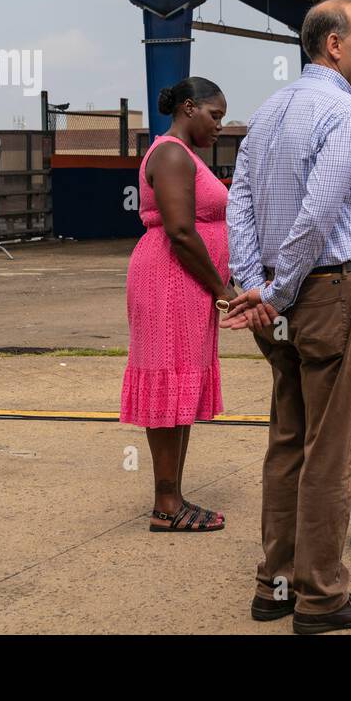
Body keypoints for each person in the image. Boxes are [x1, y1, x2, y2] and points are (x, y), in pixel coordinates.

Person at [223, 0, 351, 634]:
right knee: (333, 447)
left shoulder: (268, 113)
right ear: (334, 46)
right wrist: (278, 288)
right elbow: (318, 214)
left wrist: (253, 283)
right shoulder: (345, 113)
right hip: (327, 296)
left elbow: (239, 201)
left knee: (288, 439)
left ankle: (276, 584)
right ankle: (321, 598)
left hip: (279, 304)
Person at [120, 76, 235, 533]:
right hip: (170, 278)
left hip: (186, 282)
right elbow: (181, 230)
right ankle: (166, 504)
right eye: (215, 116)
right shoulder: (170, 153)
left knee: (180, 384)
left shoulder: (183, 155)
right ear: (189, 108)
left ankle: (175, 498)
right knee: (169, 381)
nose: (220, 127)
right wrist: (221, 290)